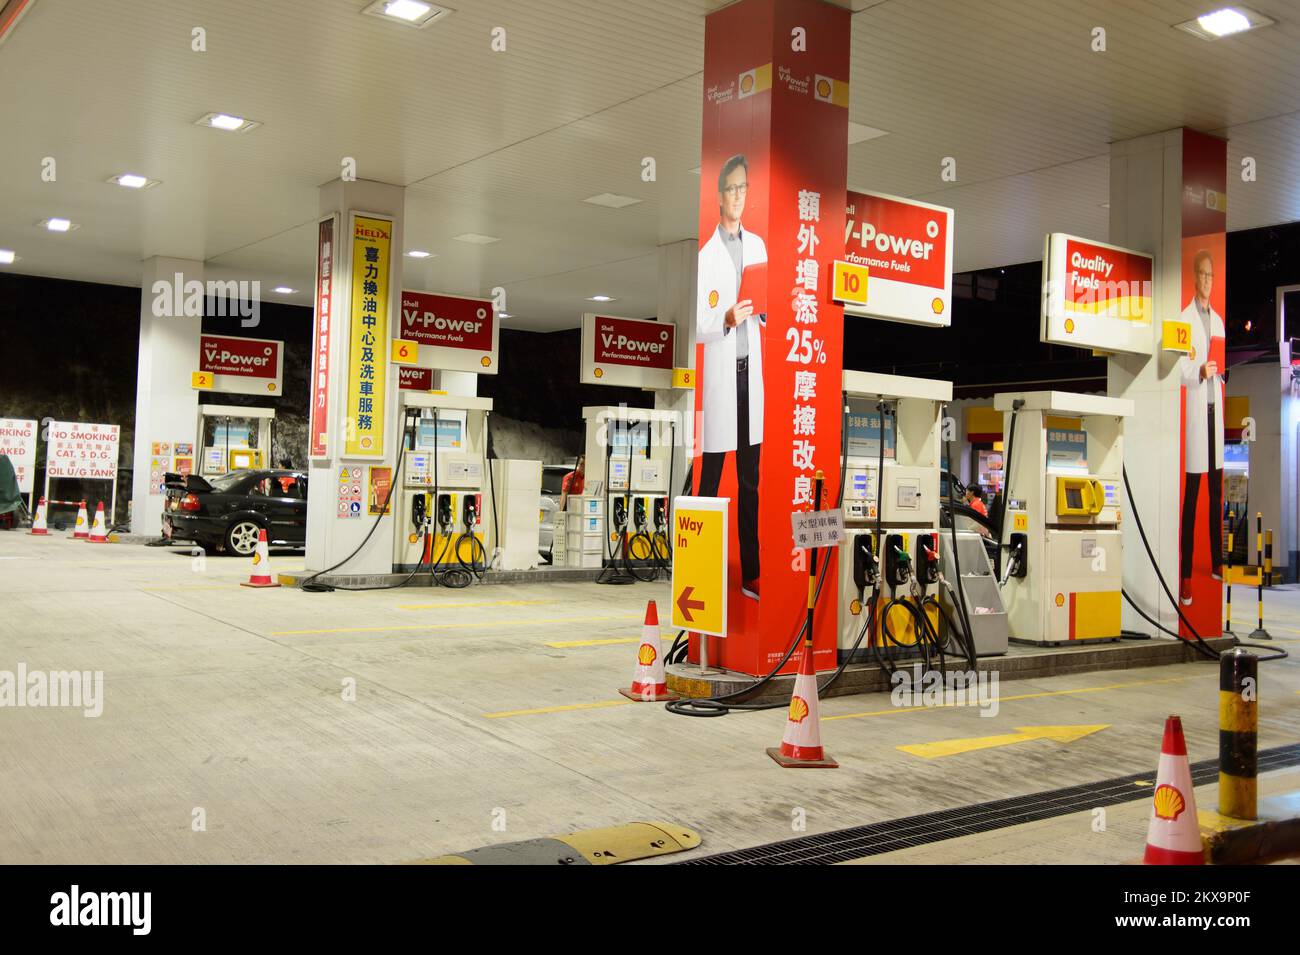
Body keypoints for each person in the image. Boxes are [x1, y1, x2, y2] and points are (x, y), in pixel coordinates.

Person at [696, 153, 767, 600]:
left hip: (750, 373)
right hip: (724, 374)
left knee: (750, 480)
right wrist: (724, 316)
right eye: (732, 189)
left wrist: (764, 311)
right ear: (720, 196)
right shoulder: (706, 256)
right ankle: (701, 564)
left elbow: (770, 303)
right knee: (711, 477)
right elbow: (701, 322)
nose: (738, 196)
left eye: (744, 188)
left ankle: (750, 573)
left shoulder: (758, 246)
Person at [1178, 249, 1226, 605]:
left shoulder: (1220, 322)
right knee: (1192, 495)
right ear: (1195, 277)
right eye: (1204, 275)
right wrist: (1200, 371)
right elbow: (1180, 371)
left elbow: (1220, 367)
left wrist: (1219, 373)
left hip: (1215, 412)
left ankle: (1216, 563)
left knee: (1216, 492)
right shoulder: (1184, 320)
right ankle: (1184, 576)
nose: (1208, 281)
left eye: (1212, 276)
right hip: (1197, 410)